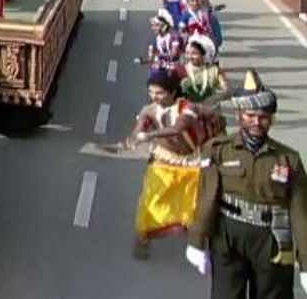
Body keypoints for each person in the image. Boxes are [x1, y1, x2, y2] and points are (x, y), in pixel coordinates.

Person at [187, 71, 307, 299]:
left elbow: (301, 213)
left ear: (271, 119)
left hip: (272, 240)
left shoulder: (288, 159)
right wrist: (196, 239)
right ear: (240, 115)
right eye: (250, 115)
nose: (256, 122)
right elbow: (206, 197)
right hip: (228, 236)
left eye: (263, 117)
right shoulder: (218, 150)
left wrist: (306, 264)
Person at [113, 68, 214, 260]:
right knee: (151, 202)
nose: (154, 96)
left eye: (159, 92)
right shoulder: (148, 110)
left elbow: (178, 128)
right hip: (162, 161)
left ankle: (200, 244)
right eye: (151, 92)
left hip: (190, 162)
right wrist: (129, 142)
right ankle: (142, 239)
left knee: (195, 206)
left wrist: (149, 135)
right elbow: (137, 131)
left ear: (173, 92)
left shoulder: (188, 108)